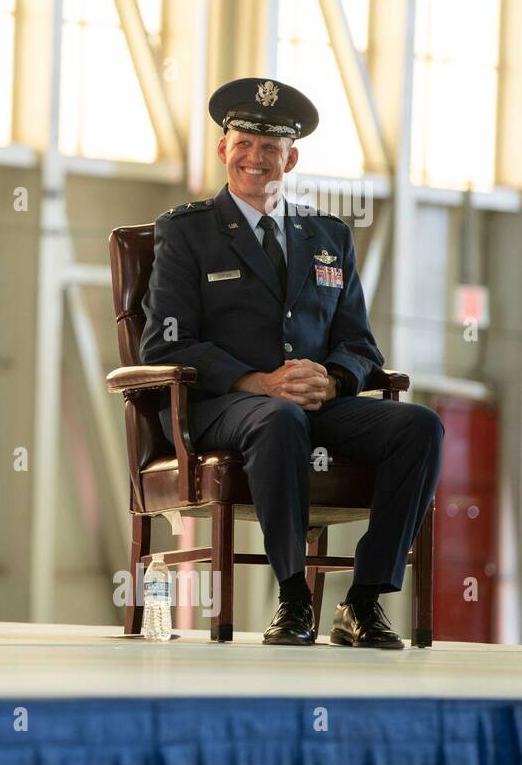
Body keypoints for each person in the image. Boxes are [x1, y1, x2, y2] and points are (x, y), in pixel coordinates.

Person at [139, 77, 443, 648]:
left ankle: (363, 599)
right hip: (224, 407)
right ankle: (294, 596)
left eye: (271, 147)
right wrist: (259, 382)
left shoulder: (329, 236)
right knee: (277, 418)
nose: (256, 158)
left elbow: (359, 343)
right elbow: (165, 343)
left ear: (292, 157)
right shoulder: (186, 233)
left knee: (419, 426)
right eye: (244, 143)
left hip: (313, 405)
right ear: (224, 149)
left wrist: (330, 380)